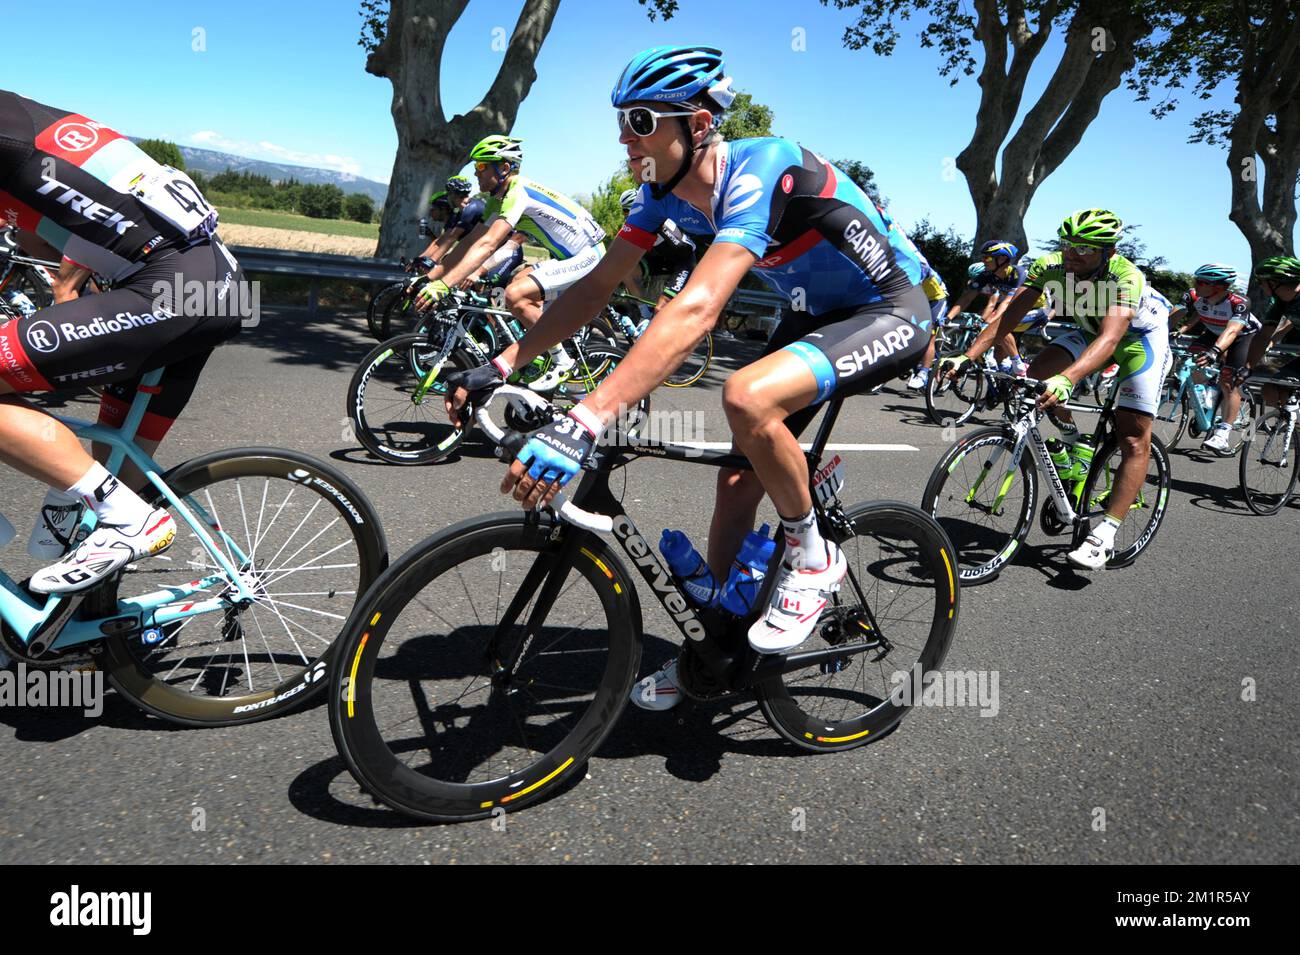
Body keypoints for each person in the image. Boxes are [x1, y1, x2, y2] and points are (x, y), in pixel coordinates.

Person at [443, 45, 931, 708]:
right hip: (815, 316)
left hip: (890, 311)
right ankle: (718, 643)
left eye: (641, 121)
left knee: (746, 394)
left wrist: (585, 418)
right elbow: (595, 288)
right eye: (621, 121)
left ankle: (812, 555)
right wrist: (500, 363)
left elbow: (698, 308)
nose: (624, 137)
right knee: (737, 479)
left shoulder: (763, 167)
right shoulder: (657, 195)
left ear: (698, 125)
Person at [0, 89, 246, 593]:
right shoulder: (21, 117)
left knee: (108, 498)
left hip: (175, 287)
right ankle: (77, 639)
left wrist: (67, 290)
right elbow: (77, 221)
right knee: (102, 479)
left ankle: (131, 519)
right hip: (208, 280)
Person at [944, 209, 1170, 571]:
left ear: (1107, 252)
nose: (1073, 254)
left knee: (1132, 437)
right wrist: (967, 357)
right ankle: (1072, 440)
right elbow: (1007, 319)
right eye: (1069, 245)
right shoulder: (1049, 266)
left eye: (1085, 248)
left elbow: (1112, 338)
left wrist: (1069, 379)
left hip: (1137, 340)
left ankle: (1105, 534)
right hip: (1088, 331)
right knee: (1037, 375)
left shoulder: (1125, 275)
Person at [416, 135, 607, 392]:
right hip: (568, 256)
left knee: (515, 294)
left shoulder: (518, 191)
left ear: (504, 168)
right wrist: (433, 278)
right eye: (475, 167)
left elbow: (488, 244)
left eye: (482, 167)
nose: (476, 173)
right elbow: (471, 240)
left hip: (588, 255)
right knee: (518, 288)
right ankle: (534, 358)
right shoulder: (497, 198)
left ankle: (562, 360)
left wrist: (444, 286)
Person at [1167, 263, 1259, 454]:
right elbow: (1172, 318)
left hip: (1242, 336)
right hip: (1212, 330)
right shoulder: (1193, 295)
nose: (1194, 284)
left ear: (1218, 287)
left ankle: (1222, 435)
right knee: (1191, 361)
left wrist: (1214, 351)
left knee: (1228, 381)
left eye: (1200, 282)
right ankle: (1207, 392)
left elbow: (1232, 330)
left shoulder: (1238, 302)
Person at [946, 240, 1053, 376]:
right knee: (998, 357)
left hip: (1039, 310)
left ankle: (1019, 366)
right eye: (983, 257)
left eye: (987, 257)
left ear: (1002, 259)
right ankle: (997, 393)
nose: (983, 261)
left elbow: (1008, 303)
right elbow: (966, 298)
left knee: (1000, 325)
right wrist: (948, 318)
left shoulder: (1019, 273)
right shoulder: (986, 275)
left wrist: (990, 322)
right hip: (1016, 311)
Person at [618, 186, 697, 320]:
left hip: (684, 261)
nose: (625, 214)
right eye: (623, 210)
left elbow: (631, 248)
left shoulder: (652, 220)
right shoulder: (640, 220)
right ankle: (644, 314)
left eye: (626, 210)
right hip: (664, 258)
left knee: (661, 307)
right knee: (627, 273)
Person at [1246, 256, 1300, 408]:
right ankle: (1290, 424)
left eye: (1261, 282)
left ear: (1275, 282)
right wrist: (1247, 368)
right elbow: (1263, 336)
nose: (1261, 287)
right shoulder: (1280, 302)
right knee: (1270, 389)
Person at [417, 175, 485, 276]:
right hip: (477, 250)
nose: (447, 198)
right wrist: (420, 259)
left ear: (453, 195)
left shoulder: (472, 208)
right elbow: (440, 241)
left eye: (448, 194)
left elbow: (452, 238)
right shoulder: (460, 214)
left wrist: (431, 261)